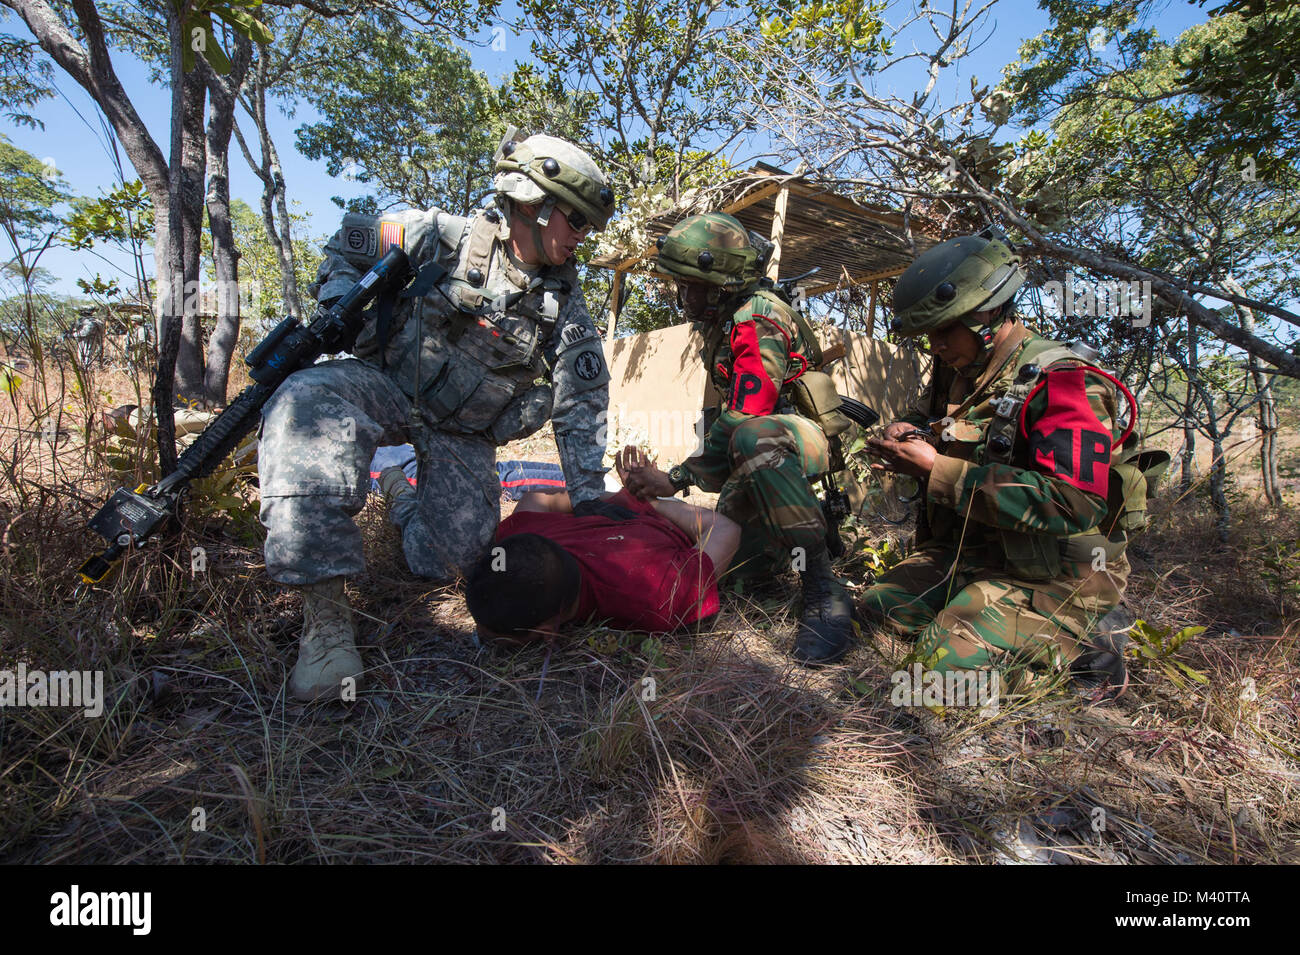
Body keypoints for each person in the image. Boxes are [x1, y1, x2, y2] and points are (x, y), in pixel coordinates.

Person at [259, 133, 618, 701]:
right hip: (387, 389)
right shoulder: (437, 236)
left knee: (447, 562)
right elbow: (350, 241)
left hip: (464, 433)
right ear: (534, 203)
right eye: (576, 221)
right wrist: (338, 305)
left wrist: (595, 506)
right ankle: (325, 623)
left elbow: (581, 404)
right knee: (306, 402)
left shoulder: (565, 308)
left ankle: (400, 499)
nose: (582, 238)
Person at [858, 227, 1148, 699]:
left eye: (943, 330)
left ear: (987, 314)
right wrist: (905, 430)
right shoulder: (962, 370)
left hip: (1055, 573)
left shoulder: (1065, 384)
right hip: (978, 553)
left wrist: (935, 470)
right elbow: (934, 418)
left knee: (939, 676)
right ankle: (986, 618)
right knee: (877, 608)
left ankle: (1089, 650)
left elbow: (1073, 504)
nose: (935, 347)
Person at [619, 212, 856, 666]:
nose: (684, 295)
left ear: (724, 283)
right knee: (736, 576)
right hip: (765, 452)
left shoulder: (756, 317)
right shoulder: (725, 318)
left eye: (694, 285)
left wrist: (675, 478)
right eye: (681, 284)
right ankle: (775, 553)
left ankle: (824, 588)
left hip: (788, 439)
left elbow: (752, 412)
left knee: (752, 435)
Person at [465, 447, 740, 645]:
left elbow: (726, 529)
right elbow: (536, 500)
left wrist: (649, 500)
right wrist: (614, 498)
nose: (480, 636)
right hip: (625, 510)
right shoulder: (520, 532)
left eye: (494, 641)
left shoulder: (656, 597)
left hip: (668, 517)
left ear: (548, 633)